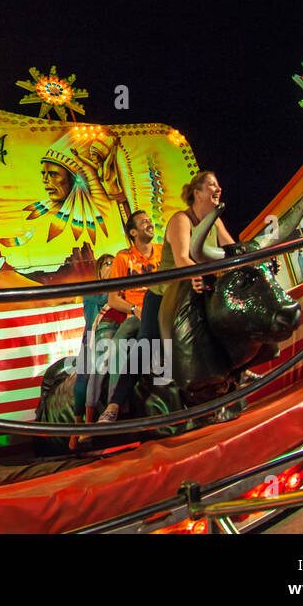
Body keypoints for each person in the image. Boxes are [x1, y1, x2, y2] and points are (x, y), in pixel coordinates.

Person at [100, 172, 232, 424]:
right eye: (212, 185)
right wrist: (193, 274)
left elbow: (234, 249)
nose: (219, 188)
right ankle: (114, 405)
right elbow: (183, 257)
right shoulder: (180, 220)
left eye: (218, 184)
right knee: (145, 344)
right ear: (197, 192)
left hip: (196, 292)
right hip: (161, 297)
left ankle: (239, 374)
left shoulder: (214, 223)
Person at [69, 253, 116, 449]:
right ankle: (79, 425)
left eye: (115, 264)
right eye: (108, 264)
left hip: (116, 334)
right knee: (84, 376)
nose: (112, 267)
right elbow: (92, 320)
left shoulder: (121, 288)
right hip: (94, 337)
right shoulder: (93, 292)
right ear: (99, 269)